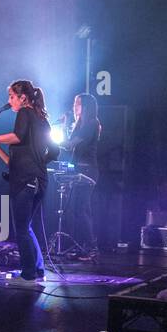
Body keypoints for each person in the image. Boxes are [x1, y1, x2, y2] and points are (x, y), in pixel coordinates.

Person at [0, 79, 53, 285]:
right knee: (26, 227)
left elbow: (17, 136)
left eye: (11, 96)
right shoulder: (41, 119)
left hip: (26, 180)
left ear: (22, 98)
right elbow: (53, 151)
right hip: (39, 180)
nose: (9, 101)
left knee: (21, 228)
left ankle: (28, 274)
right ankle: (37, 269)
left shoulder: (25, 113)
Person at [61, 92, 102, 258]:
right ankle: (82, 246)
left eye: (77, 104)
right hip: (78, 169)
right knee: (76, 210)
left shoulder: (91, 124)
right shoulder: (80, 124)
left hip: (87, 171)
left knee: (83, 209)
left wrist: (59, 132)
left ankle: (92, 247)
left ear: (85, 107)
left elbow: (70, 145)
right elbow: (69, 147)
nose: (74, 106)